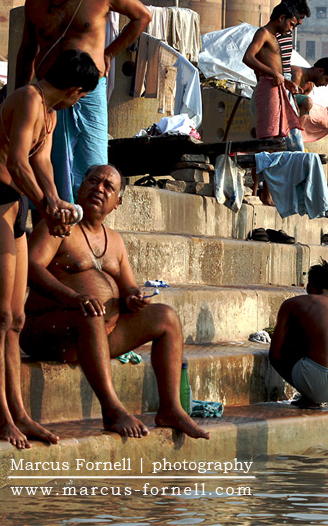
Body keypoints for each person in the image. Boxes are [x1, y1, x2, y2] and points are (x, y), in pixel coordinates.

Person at [23, 163, 209, 440]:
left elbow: (129, 287)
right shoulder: (59, 226)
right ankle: (112, 410)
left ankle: (171, 408)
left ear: (117, 202)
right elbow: (31, 267)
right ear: (80, 187)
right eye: (93, 181)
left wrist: (133, 297)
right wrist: (73, 298)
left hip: (97, 335)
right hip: (48, 330)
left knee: (166, 316)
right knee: (90, 311)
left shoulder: (116, 241)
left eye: (108, 186)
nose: (99, 188)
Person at [0, 50, 98, 449]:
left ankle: (21, 413)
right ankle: (1, 418)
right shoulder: (27, 98)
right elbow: (18, 163)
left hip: (20, 207)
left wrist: (57, 205)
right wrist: (47, 205)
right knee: (0, 315)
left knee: (19, 318)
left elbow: (42, 166)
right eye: (81, 94)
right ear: (75, 90)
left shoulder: (51, 112)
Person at [16, 0, 151, 204]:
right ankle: (53, 225)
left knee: (93, 163)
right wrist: (17, 96)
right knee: (46, 162)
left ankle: (87, 231)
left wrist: (109, 54)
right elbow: (27, 50)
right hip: (48, 94)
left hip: (87, 93)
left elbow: (142, 16)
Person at [269, 261, 328, 411]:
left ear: (309, 288)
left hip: (314, 382)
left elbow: (275, 353)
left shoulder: (293, 304)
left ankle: (310, 398)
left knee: (291, 341)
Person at [244, 0, 312, 139]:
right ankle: (265, 159)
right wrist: (273, 73)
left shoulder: (275, 37)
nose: (291, 29)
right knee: (268, 133)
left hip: (278, 87)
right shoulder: (263, 33)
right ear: (281, 18)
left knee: (279, 134)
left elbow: (275, 66)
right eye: (291, 24)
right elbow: (247, 57)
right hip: (267, 87)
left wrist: (287, 83)